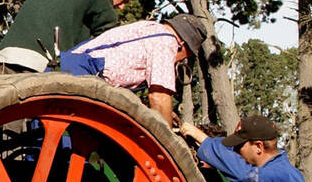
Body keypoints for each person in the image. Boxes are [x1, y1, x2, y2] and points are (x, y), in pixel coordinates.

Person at [58, 14, 206, 124]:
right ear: (183, 45)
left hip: (71, 64)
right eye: (187, 56)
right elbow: (159, 97)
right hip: (83, 73)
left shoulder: (149, 28)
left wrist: (166, 112)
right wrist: (170, 141)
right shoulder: (167, 42)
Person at [0, 0, 139, 72]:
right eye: (125, 0)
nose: (122, 7)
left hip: (6, 57)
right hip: (35, 62)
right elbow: (110, 37)